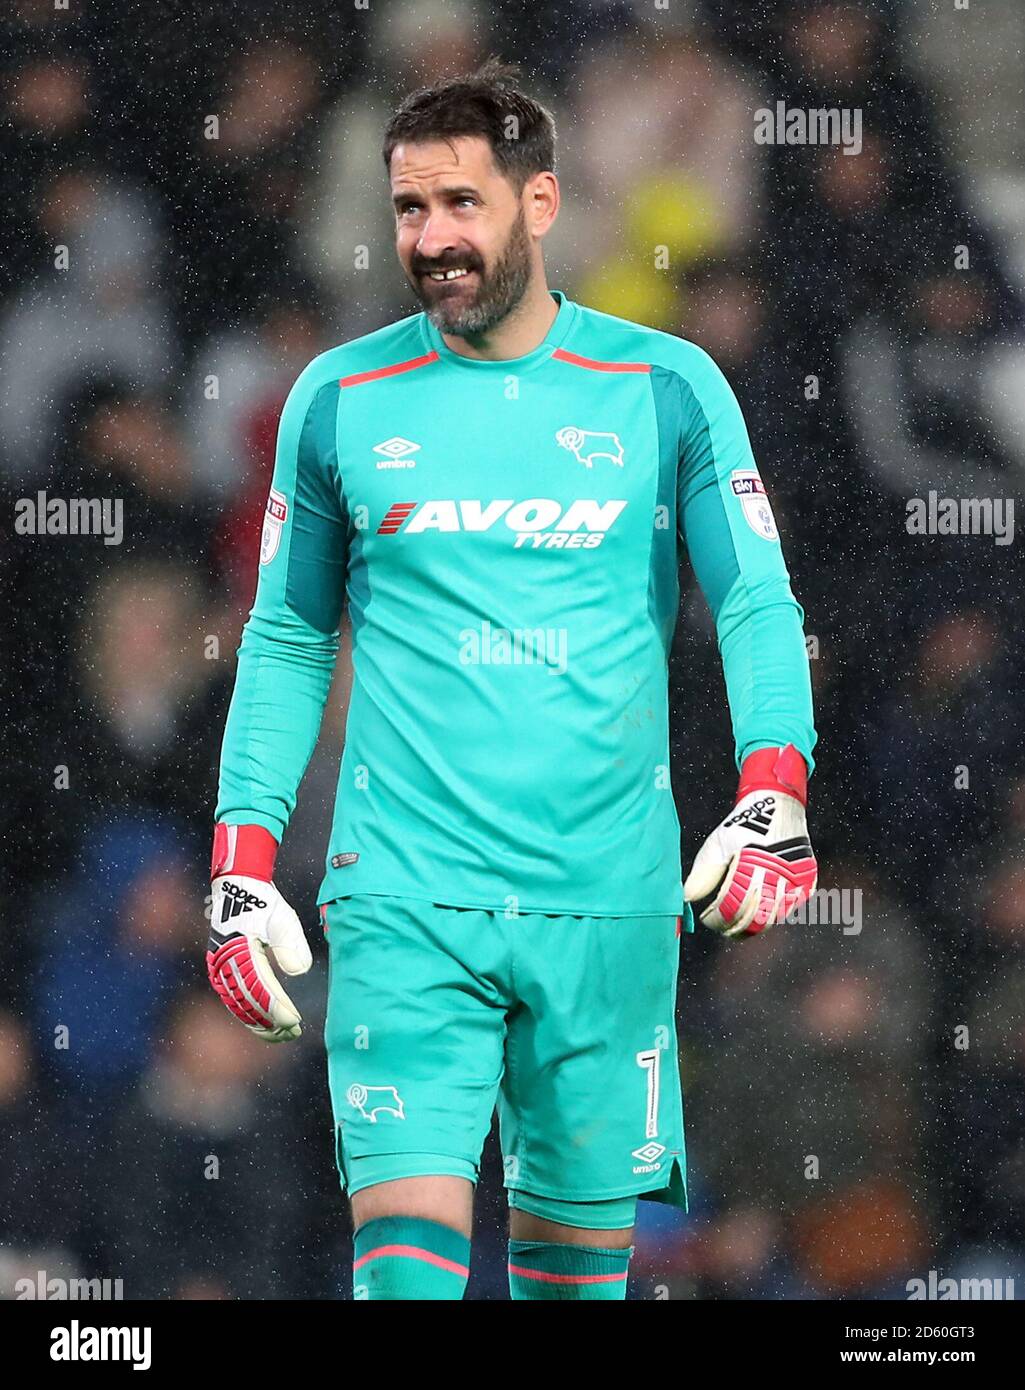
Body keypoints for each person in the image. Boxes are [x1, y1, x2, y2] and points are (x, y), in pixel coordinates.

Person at [205, 59, 818, 1301]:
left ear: (540, 204)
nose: (431, 240)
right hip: (403, 893)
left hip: (606, 896)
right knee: (408, 1265)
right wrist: (240, 857)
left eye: (461, 205)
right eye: (409, 209)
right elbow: (282, 636)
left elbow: (752, 598)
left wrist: (774, 789)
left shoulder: (665, 386)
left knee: (572, 1283)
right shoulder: (339, 397)